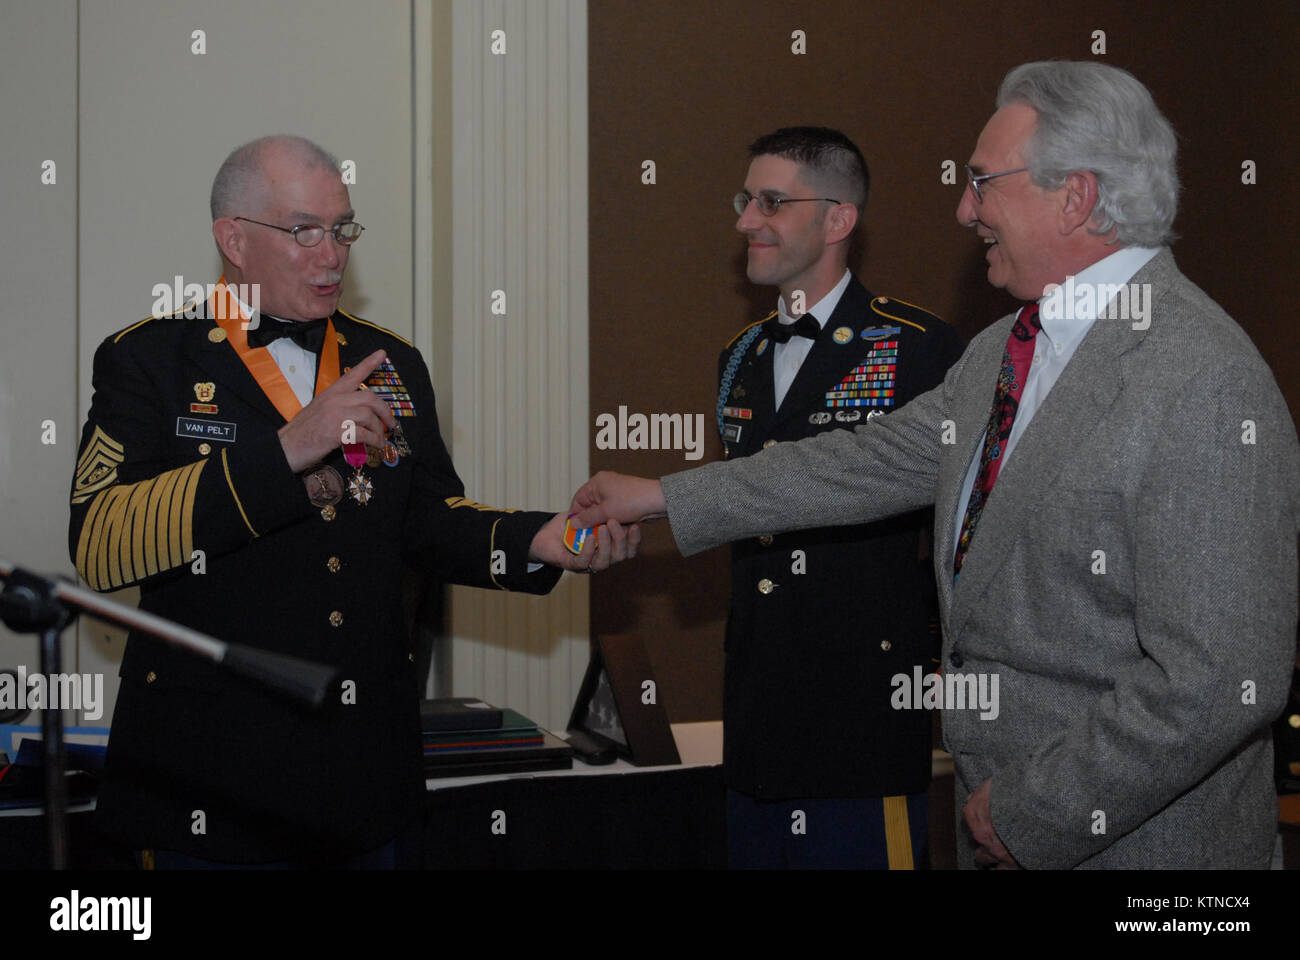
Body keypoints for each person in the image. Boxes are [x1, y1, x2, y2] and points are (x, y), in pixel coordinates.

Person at [571, 62, 1300, 869]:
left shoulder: (1201, 376)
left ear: (1076, 196)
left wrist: (1032, 812)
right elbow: (859, 463)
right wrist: (662, 497)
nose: (964, 210)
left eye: (983, 183)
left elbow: (1221, 677)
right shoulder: (1003, 350)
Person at [68, 135, 638, 867]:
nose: (331, 254)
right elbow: (100, 544)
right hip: (210, 778)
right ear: (233, 238)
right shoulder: (151, 357)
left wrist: (542, 540)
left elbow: (426, 519)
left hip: (361, 772)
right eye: (303, 229)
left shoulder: (390, 362)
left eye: (343, 229)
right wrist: (284, 452)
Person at [718, 127, 963, 868]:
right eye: (745, 199)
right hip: (756, 725)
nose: (745, 221)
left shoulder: (919, 347)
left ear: (837, 219)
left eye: (771, 202)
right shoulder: (740, 355)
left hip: (861, 726)